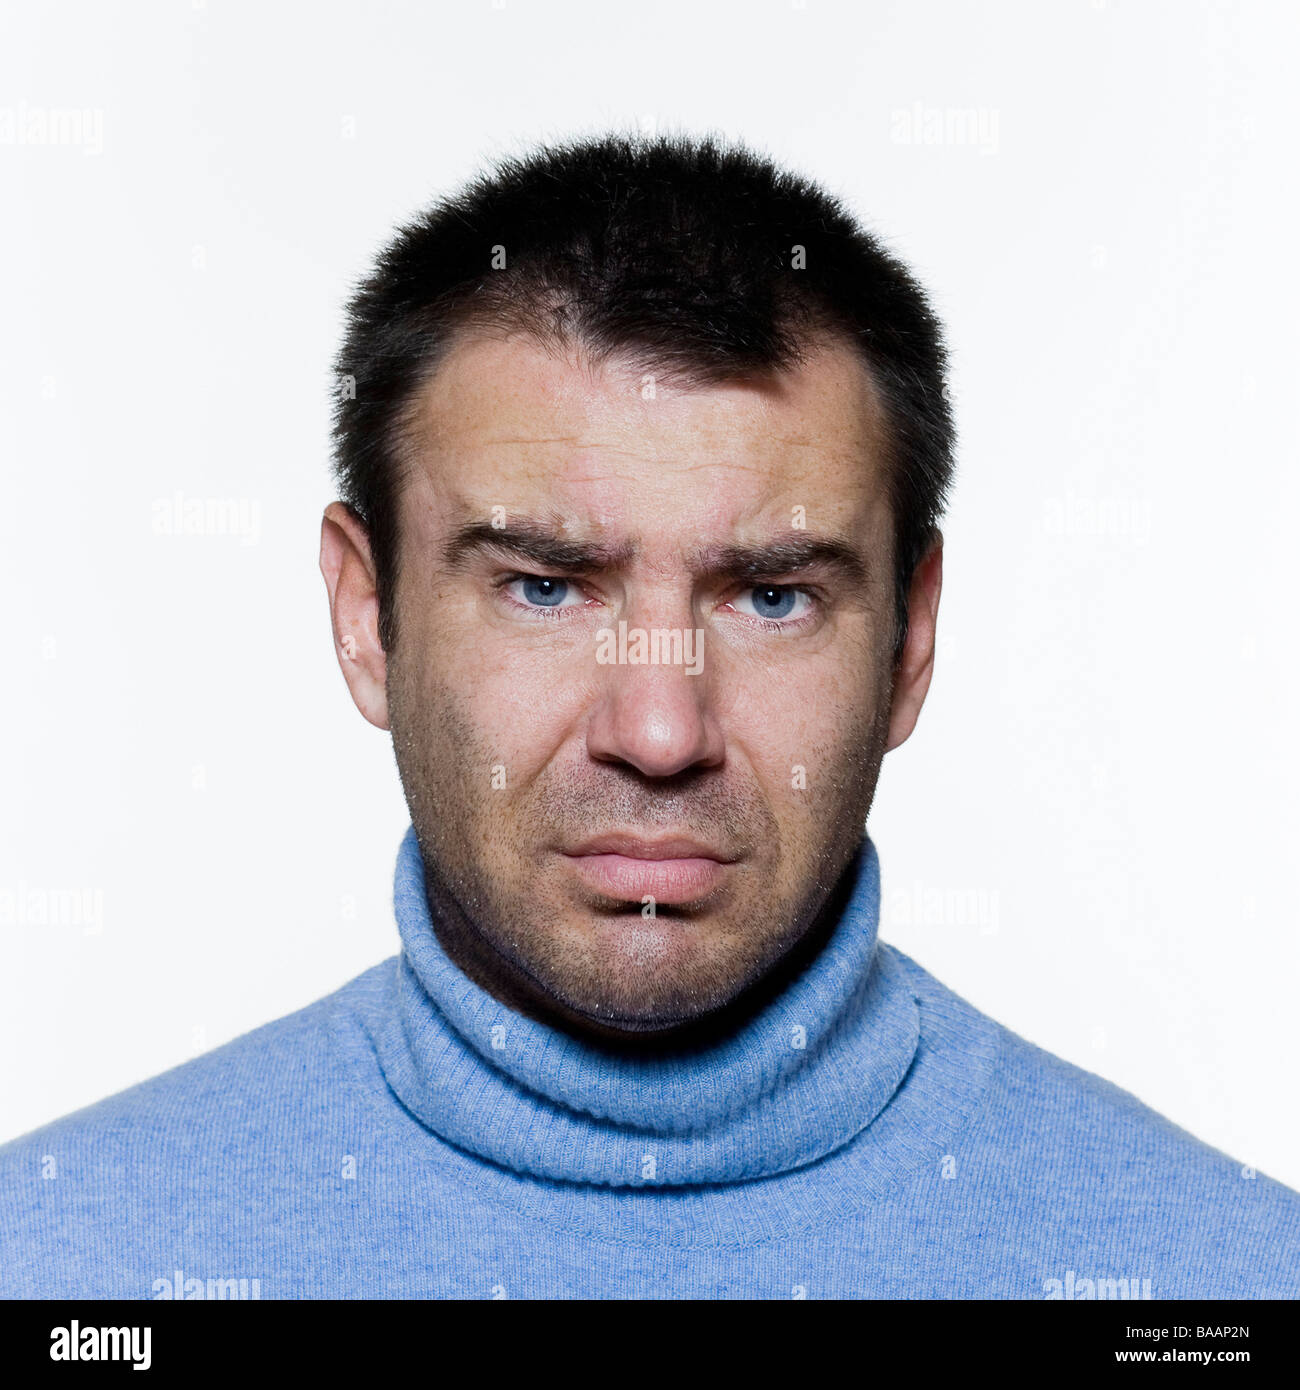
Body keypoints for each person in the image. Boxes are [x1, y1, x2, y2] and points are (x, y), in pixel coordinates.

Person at [3, 133, 1295, 1299]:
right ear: (366, 614)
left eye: (774, 597)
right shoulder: (53, 1260)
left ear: (911, 639)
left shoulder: (1228, 1278)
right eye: (545, 587)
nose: (662, 731)